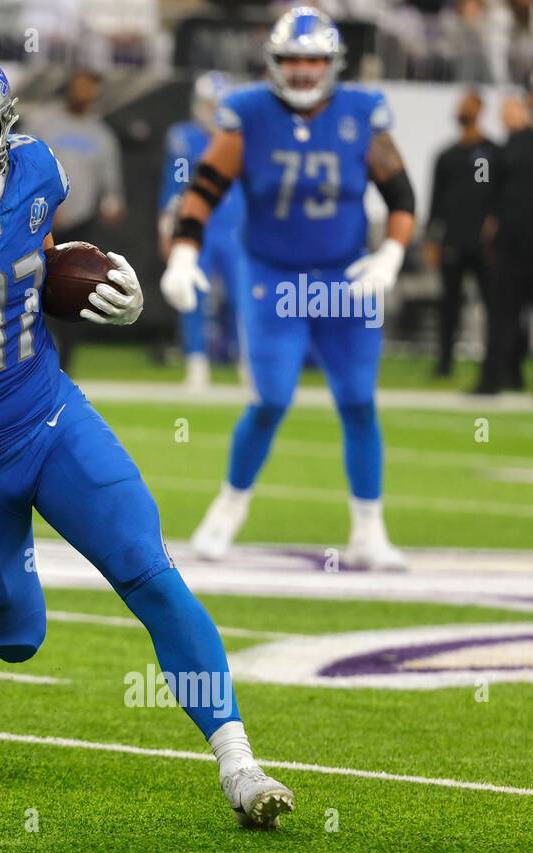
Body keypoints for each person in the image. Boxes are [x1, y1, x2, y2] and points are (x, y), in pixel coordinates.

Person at [0, 42, 294, 829]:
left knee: (150, 571)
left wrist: (97, 281)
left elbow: (35, 259)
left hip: (51, 416)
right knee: (16, 639)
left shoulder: (37, 171)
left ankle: (239, 761)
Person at [162, 7, 416, 571]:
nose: (303, 71)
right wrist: (184, 252)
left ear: (333, 63)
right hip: (273, 277)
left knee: (358, 402)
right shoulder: (249, 113)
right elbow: (203, 189)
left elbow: (402, 197)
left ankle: (369, 531)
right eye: (292, 60)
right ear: (274, 63)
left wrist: (391, 254)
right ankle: (227, 509)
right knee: (271, 399)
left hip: (343, 279)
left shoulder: (361, 112)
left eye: (313, 60)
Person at [23, 66, 128, 376]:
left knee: (75, 292)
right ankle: (28, 362)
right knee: (32, 290)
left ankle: (63, 369)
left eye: (92, 87)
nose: (86, 93)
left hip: (81, 223)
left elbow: (111, 185)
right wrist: (44, 205)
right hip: (38, 220)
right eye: (82, 85)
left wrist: (112, 203)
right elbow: (21, 167)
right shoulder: (43, 122)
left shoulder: (101, 134)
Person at [157, 72, 246, 390]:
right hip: (198, 230)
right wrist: (167, 227)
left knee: (241, 299)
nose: (215, 114)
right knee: (192, 296)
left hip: (236, 229)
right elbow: (174, 188)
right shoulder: (185, 137)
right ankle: (196, 362)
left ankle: (247, 364)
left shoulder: (240, 139)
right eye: (211, 106)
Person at [424, 90, 498, 379]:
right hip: (452, 242)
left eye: (467, 105)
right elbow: (435, 202)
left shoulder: (490, 153)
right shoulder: (447, 156)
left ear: (479, 109)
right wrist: (431, 238)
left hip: (484, 244)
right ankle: (444, 363)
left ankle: (493, 363)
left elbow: (493, 194)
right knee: (448, 305)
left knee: (491, 304)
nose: (461, 110)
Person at [477, 95, 533, 394]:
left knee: (504, 316)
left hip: (518, 245)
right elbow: (484, 184)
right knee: (502, 316)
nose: (503, 118)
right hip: (510, 246)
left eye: (508, 112)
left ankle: (503, 376)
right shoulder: (497, 151)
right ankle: (498, 377)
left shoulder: (505, 151)